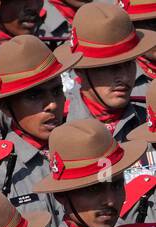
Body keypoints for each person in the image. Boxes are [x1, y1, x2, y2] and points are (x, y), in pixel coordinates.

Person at [0, 36, 78, 221]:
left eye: (57, 91)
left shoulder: (85, 150)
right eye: (34, 96)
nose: (51, 105)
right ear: (6, 108)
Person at [62, 2, 155, 143]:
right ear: (79, 70)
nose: (124, 77)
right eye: (109, 67)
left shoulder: (149, 124)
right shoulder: (57, 128)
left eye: (129, 63)